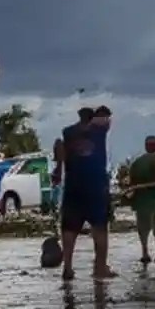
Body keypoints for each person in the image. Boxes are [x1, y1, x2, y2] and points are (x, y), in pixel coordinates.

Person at [58, 106, 118, 280]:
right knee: (100, 228)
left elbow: (61, 152)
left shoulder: (68, 132)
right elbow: (106, 120)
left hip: (73, 184)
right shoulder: (100, 130)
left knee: (69, 228)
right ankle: (100, 268)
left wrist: (58, 169)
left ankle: (68, 267)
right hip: (96, 186)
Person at [129, 134, 155, 265]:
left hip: (141, 200)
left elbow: (132, 183)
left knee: (143, 227)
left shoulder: (137, 163)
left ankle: (145, 252)